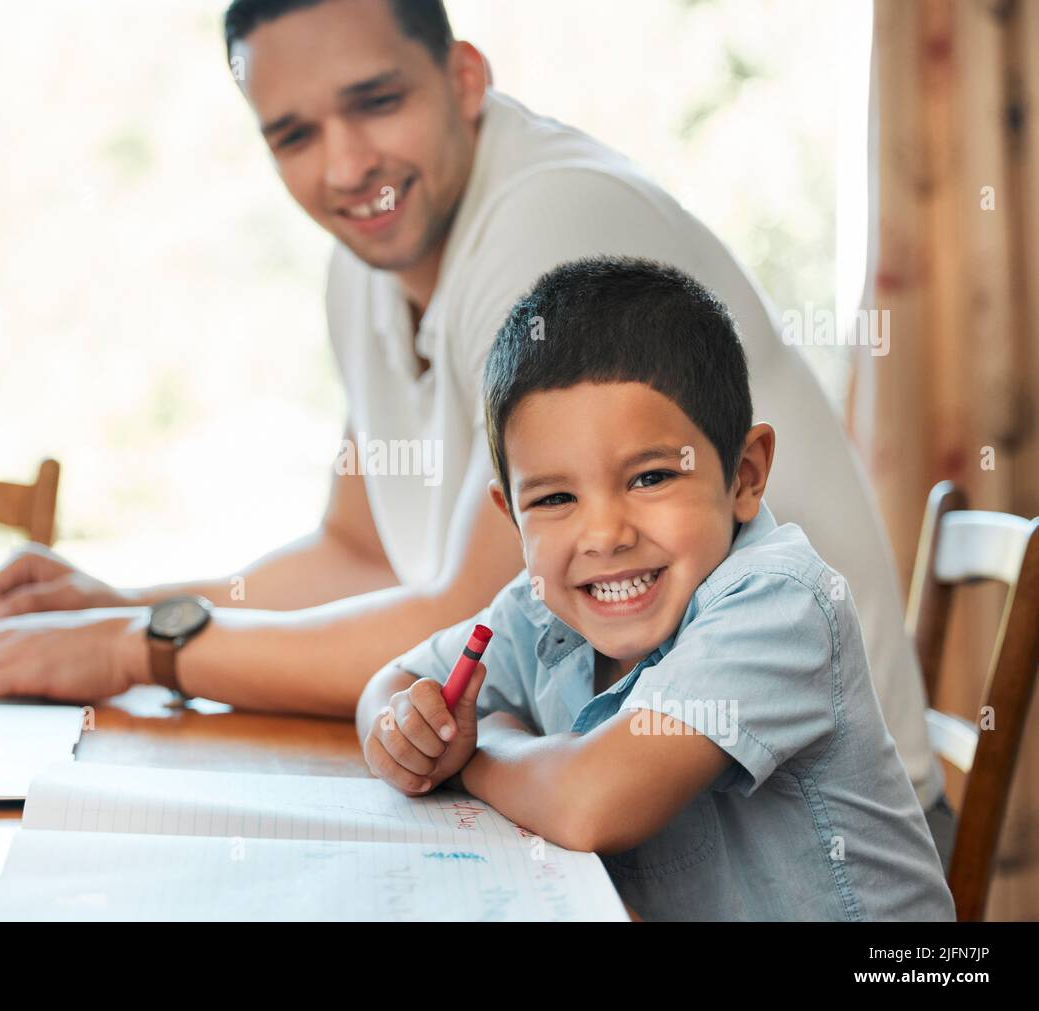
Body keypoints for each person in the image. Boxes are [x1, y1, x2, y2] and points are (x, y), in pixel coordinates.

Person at [0, 0, 951, 864]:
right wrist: (135, 603)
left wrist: (128, 651)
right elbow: (360, 553)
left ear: (464, 79)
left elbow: (452, 613)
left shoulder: (545, 230)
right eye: (293, 134)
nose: (342, 167)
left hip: (796, 849)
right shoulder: (372, 267)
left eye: (374, 103)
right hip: (642, 830)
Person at [357, 256, 955, 920]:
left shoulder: (778, 601)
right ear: (512, 517)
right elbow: (392, 681)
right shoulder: (539, 608)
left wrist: (480, 748)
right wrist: (402, 730)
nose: (605, 534)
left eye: (650, 478)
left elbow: (592, 799)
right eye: (555, 497)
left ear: (744, 475)